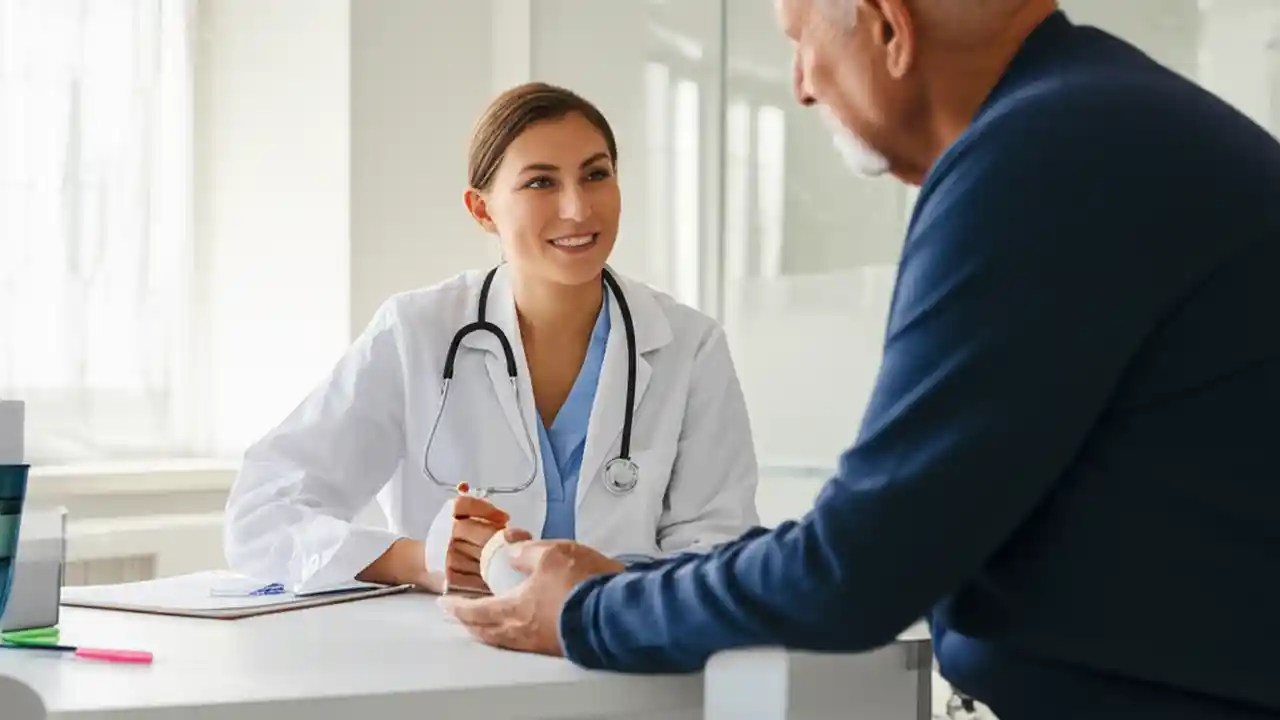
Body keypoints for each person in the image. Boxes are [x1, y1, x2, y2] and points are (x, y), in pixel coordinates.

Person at [441, 2, 1280, 718]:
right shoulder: (1088, 120)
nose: (801, 83)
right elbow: (897, 532)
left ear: (886, 26)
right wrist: (633, 579)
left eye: (802, 38)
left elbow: (858, 568)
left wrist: (592, 613)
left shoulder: (1041, 157)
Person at [224, 82, 759, 596]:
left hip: (623, 656)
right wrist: (421, 562)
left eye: (596, 175)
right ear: (482, 210)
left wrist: (611, 585)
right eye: (540, 182)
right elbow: (261, 514)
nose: (577, 208)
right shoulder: (417, 332)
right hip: (452, 660)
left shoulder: (689, 346)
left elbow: (720, 549)